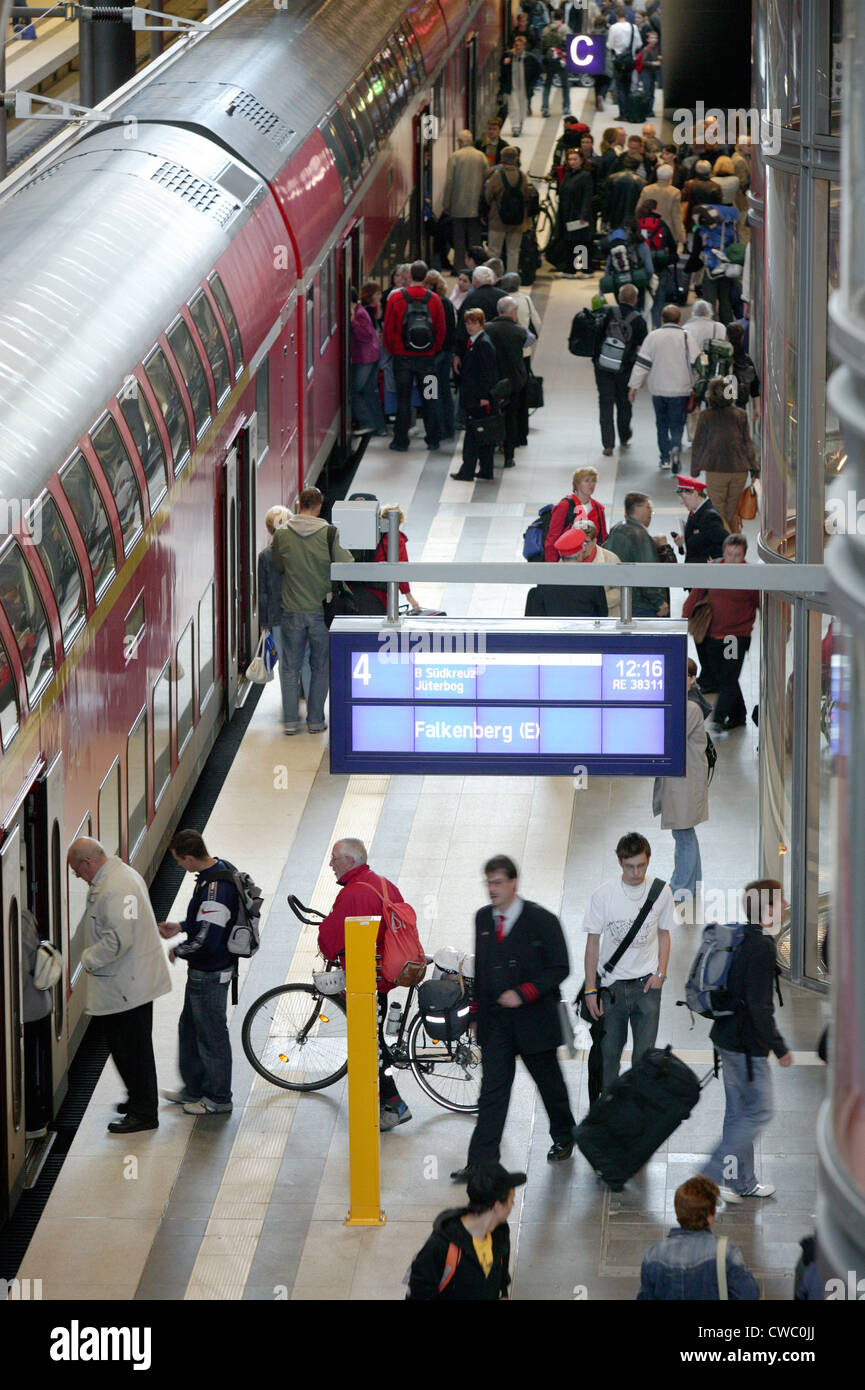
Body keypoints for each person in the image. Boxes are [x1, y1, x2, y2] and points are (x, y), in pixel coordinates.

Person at [450, 856, 576, 1181]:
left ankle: (564, 1136)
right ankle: (480, 1162)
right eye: (488, 883)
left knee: (549, 1084)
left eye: (497, 882)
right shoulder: (483, 919)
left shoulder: (542, 921)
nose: (491, 889)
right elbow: (480, 970)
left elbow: (560, 967)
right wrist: (476, 1013)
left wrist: (525, 992)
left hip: (535, 1022)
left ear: (513, 883)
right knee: (492, 1092)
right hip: (497, 1025)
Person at [69, 837, 172, 1134]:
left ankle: (143, 1113)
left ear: (87, 863)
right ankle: (137, 1099)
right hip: (130, 982)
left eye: (78, 872)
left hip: (128, 985)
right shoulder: (120, 875)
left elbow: (118, 940)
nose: (80, 878)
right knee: (125, 1046)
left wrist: (87, 959)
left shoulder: (117, 888)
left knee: (131, 1049)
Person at [703, 879, 794, 1202]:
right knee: (760, 1111)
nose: (784, 905)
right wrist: (780, 1048)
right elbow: (759, 1007)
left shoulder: (740, 937)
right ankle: (711, 1175)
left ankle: (740, 1181)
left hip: (726, 1037)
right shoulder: (762, 947)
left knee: (739, 1112)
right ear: (767, 908)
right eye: (780, 901)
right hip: (745, 1045)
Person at [317, 839, 413, 1130]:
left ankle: (394, 1105)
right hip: (386, 972)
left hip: (365, 981)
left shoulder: (352, 894)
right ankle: (388, 1102)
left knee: (372, 1047)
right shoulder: (382, 884)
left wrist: (325, 938)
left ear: (349, 861)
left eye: (334, 858)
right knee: (376, 1042)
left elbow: (331, 942)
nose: (331, 864)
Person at [582, 831, 675, 1093]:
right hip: (611, 989)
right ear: (620, 863)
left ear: (648, 861)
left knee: (644, 1059)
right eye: (630, 866)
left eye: (641, 865)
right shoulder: (603, 895)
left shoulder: (661, 892)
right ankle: (609, 1113)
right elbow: (592, 944)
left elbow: (664, 934)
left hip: (647, 987)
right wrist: (591, 988)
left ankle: (636, 1114)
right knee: (609, 1056)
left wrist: (661, 974)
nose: (636, 872)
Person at [157, 829, 240, 1115]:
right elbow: (205, 922)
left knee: (211, 1035)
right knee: (191, 1029)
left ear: (190, 857)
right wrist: (181, 926)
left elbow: (208, 939)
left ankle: (218, 1098)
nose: (180, 866)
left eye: (180, 860)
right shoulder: (216, 870)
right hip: (205, 974)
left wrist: (178, 949)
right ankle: (194, 1089)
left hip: (210, 975)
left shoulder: (215, 890)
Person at [271, 486, 354, 734]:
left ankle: (290, 722)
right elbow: (347, 563)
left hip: (292, 610)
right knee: (320, 666)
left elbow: (278, 564)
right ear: (319, 506)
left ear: (298, 504)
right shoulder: (329, 533)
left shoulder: (282, 534)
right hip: (321, 610)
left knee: (290, 667)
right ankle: (316, 721)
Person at [406, 1162, 523, 1300]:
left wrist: (503, 1294)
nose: (513, 1204)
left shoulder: (500, 1233)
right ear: (497, 1206)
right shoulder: (440, 1246)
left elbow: (501, 1280)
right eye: (511, 1200)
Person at [683, 533, 759, 731]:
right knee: (722, 676)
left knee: (728, 676)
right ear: (724, 552)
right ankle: (738, 715)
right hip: (711, 635)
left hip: (735, 636)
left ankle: (719, 717)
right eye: (729, 554)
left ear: (744, 555)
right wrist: (684, 617)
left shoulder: (750, 575)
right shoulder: (714, 570)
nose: (733, 559)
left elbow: (761, 603)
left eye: (737, 555)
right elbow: (696, 594)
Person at [637, 1176, 760, 1300]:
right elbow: (749, 1294)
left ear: (678, 1212)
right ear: (711, 1216)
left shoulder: (654, 1254)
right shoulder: (725, 1252)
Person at [652, 674, 709, 908]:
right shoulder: (687, 703)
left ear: (692, 679)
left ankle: (680, 887)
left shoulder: (691, 707)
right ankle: (690, 883)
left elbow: (671, 736)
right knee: (684, 832)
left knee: (683, 833)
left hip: (686, 780)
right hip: (683, 780)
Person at [382, 259, 446, 452]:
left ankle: (400, 441)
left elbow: (388, 331)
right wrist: (433, 351)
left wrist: (395, 349)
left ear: (409, 276)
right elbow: (441, 330)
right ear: (426, 277)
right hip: (428, 360)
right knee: (431, 397)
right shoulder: (434, 299)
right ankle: (433, 439)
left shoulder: (396, 298)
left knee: (403, 399)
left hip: (402, 359)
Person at [628, 304, 700, 472]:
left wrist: (634, 387)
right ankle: (675, 446)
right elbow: (696, 363)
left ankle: (665, 458)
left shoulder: (653, 337)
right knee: (677, 423)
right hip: (681, 389)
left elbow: (642, 364)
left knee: (661, 423)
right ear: (679, 320)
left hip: (659, 389)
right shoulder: (686, 337)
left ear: (661, 319)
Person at [690, 376, 758, 531]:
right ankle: (735, 546)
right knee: (732, 511)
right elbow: (747, 443)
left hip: (716, 470)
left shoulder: (706, 416)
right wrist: (754, 468)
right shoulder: (740, 415)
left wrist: (695, 469)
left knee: (717, 511)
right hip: (739, 469)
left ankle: (725, 547)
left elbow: (699, 444)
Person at [592, 283, 648, 455]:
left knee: (605, 402)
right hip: (625, 368)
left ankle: (608, 444)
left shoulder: (607, 312)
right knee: (624, 403)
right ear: (635, 299)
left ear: (619, 296)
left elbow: (596, 334)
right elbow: (643, 347)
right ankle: (624, 435)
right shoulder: (638, 320)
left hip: (603, 366)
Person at [450, 308, 499, 482]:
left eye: (474, 323)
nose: (470, 326)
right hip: (476, 396)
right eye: (467, 323)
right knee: (482, 433)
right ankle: (486, 469)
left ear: (481, 323)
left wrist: (484, 396)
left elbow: (487, 372)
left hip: (477, 397)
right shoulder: (475, 342)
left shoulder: (482, 344)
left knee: (472, 435)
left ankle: (467, 471)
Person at [604, 493, 670, 616]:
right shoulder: (639, 535)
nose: (651, 511)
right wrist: (659, 601)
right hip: (642, 604)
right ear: (637, 509)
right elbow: (646, 571)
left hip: (621, 600)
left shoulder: (617, 529)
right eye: (648, 507)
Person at [484, 296, 531, 468]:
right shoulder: (519, 331)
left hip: (494, 380)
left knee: (491, 416)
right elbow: (530, 340)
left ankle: (489, 452)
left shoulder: (488, 329)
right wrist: (518, 323)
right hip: (514, 380)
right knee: (511, 417)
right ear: (512, 312)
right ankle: (509, 455)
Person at [526, 527, 609, 616]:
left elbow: (538, 614)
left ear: (560, 554)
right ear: (580, 553)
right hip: (583, 629)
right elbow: (603, 614)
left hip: (553, 629)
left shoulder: (545, 580)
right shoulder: (592, 581)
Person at [22, 907, 53, 1139]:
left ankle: (34, 1121)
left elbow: (19, 970)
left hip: (28, 1008)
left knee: (27, 1067)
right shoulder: (23, 913)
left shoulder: (17, 918)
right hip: (36, 1004)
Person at [442, 131, 490, 272]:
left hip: (458, 205)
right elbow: (486, 179)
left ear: (461, 142)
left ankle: (459, 267)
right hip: (476, 205)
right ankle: (477, 267)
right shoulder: (481, 156)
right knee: (475, 238)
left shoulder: (454, 157)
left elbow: (449, 182)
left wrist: (446, 204)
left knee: (459, 239)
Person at [483, 147, 533, 274]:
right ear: (516, 159)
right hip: (517, 221)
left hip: (498, 220)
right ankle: (512, 277)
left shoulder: (497, 176)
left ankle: (492, 277)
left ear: (502, 159)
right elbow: (527, 196)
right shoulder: (522, 176)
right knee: (513, 251)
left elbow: (488, 196)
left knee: (494, 251)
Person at [366, 505, 423, 614]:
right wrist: (410, 598)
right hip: (382, 591)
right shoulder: (397, 539)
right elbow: (401, 569)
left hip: (363, 587)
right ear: (399, 521)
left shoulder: (372, 536)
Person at [545, 465, 609, 561]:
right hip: (569, 559)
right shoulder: (565, 506)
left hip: (592, 559)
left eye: (593, 480)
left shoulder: (598, 508)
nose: (591, 484)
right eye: (587, 481)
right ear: (577, 484)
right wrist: (551, 564)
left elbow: (603, 537)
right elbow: (552, 537)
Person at [350, 282, 388, 436]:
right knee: (369, 392)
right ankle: (380, 427)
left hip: (365, 358)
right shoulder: (361, 310)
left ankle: (367, 422)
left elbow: (365, 335)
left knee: (354, 390)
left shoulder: (358, 313)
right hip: (371, 356)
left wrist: (352, 322)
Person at [425, 269, 457, 441]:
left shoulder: (428, 303)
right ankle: (447, 428)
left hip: (432, 357)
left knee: (432, 393)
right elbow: (451, 330)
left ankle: (435, 431)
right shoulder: (445, 303)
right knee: (443, 392)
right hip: (443, 355)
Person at [550, 147, 594, 276]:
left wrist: (584, 214)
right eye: (570, 159)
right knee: (569, 241)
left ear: (581, 160)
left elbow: (587, 196)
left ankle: (585, 268)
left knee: (582, 242)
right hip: (567, 212)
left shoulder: (585, 176)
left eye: (575, 159)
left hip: (578, 213)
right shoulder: (569, 175)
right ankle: (570, 268)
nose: (572, 162)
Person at [670, 476, 727, 561]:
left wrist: (715, 562)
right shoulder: (695, 510)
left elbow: (726, 544)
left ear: (695, 494)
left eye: (683, 497)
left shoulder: (710, 517)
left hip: (703, 571)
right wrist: (682, 545)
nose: (681, 502)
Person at [579, 518, 622, 616]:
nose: (582, 547)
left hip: (607, 616)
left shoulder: (611, 559)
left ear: (594, 541)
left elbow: (621, 590)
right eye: (579, 542)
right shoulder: (568, 558)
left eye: (586, 542)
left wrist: (595, 601)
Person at [500, 34, 540, 136]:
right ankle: (515, 126)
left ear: (524, 46)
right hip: (512, 87)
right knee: (514, 107)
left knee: (522, 107)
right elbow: (501, 70)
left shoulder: (530, 58)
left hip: (524, 88)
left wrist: (532, 84)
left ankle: (520, 122)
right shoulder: (508, 56)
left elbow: (538, 70)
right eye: (516, 45)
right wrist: (505, 64)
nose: (518, 47)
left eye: (520, 45)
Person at [636, 163, 683, 247]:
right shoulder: (675, 192)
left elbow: (638, 210)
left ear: (657, 175)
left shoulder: (647, 190)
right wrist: (682, 236)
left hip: (647, 228)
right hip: (667, 231)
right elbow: (676, 216)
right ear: (670, 177)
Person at [607, 5, 642, 116]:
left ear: (616, 16)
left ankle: (622, 113)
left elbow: (610, 45)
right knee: (628, 86)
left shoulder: (613, 28)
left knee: (619, 87)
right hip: (630, 60)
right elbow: (639, 44)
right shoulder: (634, 27)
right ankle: (629, 110)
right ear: (626, 16)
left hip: (618, 60)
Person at [540, 16, 571, 117]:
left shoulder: (546, 31)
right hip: (561, 61)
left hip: (549, 63)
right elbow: (568, 45)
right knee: (565, 85)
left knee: (547, 85)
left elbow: (543, 47)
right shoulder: (564, 30)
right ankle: (566, 107)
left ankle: (545, 108)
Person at [725, 322, 761, 410]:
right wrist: (757, 407)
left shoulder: (722, 357)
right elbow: (754, 383)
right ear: (742, 338)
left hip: (723, 403)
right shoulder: (746, 359)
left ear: (726, 337)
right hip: (739, 402)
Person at [682, 160, 723, 234]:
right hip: (709, 218)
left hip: (692, 218)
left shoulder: (689, 184)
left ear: (696, 170)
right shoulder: (716, 187)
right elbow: (718, 205)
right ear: (710, 170)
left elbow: (683, 200)